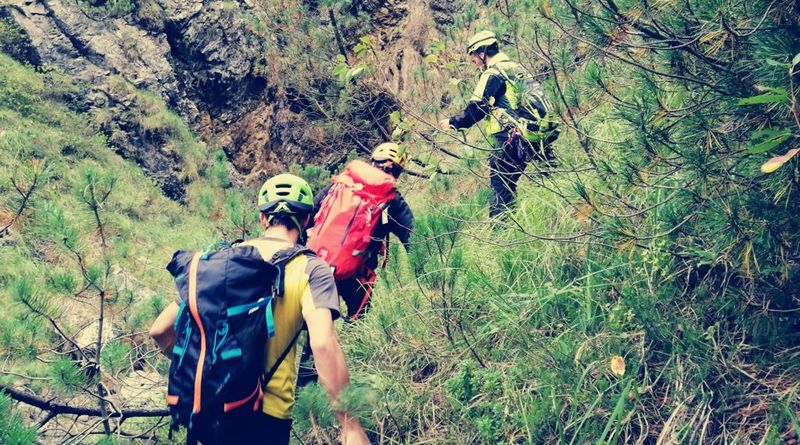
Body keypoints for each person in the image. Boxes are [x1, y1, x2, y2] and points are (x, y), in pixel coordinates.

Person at [149, 173, 370, 445]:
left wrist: (208, 368)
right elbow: (323, 344)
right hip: (267, 416)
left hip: (211, 408)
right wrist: (349, 425)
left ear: (262, 219)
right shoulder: (312, 268)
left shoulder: (220, 263)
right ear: (305, 220)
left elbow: (160, 330)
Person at [296, 142, 414, 389]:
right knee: (358, 323)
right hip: (356, 276)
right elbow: (414, 237)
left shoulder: (341, 183)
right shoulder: (391, 198)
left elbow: (307, 215)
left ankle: (305, 394)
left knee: (315, 333)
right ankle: (350, 378)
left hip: (317, 268)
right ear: (396, 169)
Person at [439, 30, 559, 217]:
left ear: (482, 53)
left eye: (474, 58)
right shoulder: (516, 67)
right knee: (554, 177)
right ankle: (563, 209)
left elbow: (476, 108)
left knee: (501, 186)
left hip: (514, 137)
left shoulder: (493, 73)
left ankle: (501, 232)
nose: (475, 63)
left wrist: (454, 123)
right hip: (539, 131)